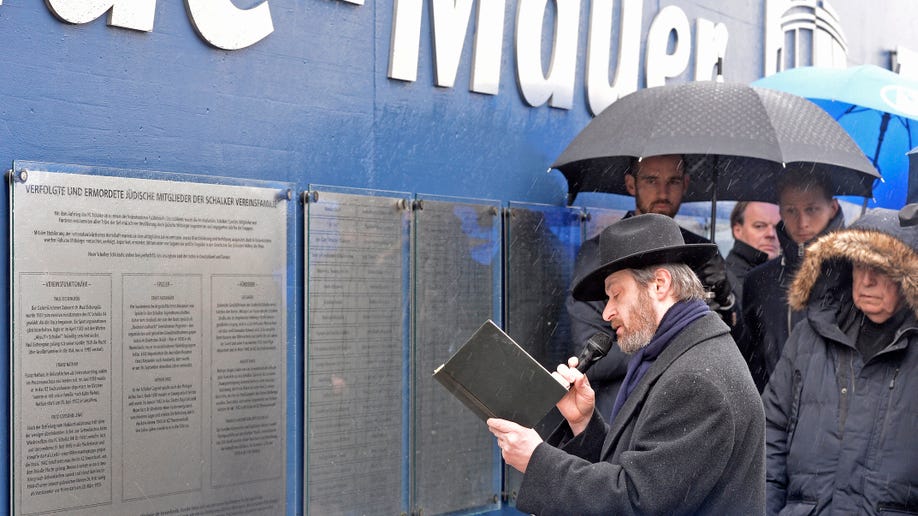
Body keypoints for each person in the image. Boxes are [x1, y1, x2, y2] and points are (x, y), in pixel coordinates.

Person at [488, 214, 765, 515]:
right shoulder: (680, 352)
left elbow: (636, 502)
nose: (607, 312)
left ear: (660, 284)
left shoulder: (696, 379)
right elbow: (644, 471)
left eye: (616, 294)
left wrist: (536, 460)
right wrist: (584, 424)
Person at [763, 207, 918, 515]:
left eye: (883, 268)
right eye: (860, 264)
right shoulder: (809, 336)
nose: (868, 280)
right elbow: (769, 436)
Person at [565, 154, 735, 418]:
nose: (663, 192)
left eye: (674, 181)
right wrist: (677, 344)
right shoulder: (598, 255)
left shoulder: (700, 253)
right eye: (652, 180)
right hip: (619, 414)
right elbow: (594, 356)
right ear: (631, 184)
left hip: (690, 408)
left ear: (686, 184)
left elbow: (735, 341)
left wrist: (725, 297)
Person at [740, 167, 844, 392]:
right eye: (791, 211)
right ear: (781, 211)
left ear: (833, 208)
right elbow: (751, 359)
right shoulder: (759, 282)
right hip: (773, 414)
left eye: (812, 209)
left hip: (836, 417)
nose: (802, 222)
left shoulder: (854, 275)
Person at [726, 201, 780, 303]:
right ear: (738, 230)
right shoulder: (724, 281)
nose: (771, 234)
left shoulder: (788, 276)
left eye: (778, 228)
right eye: (759, 226)